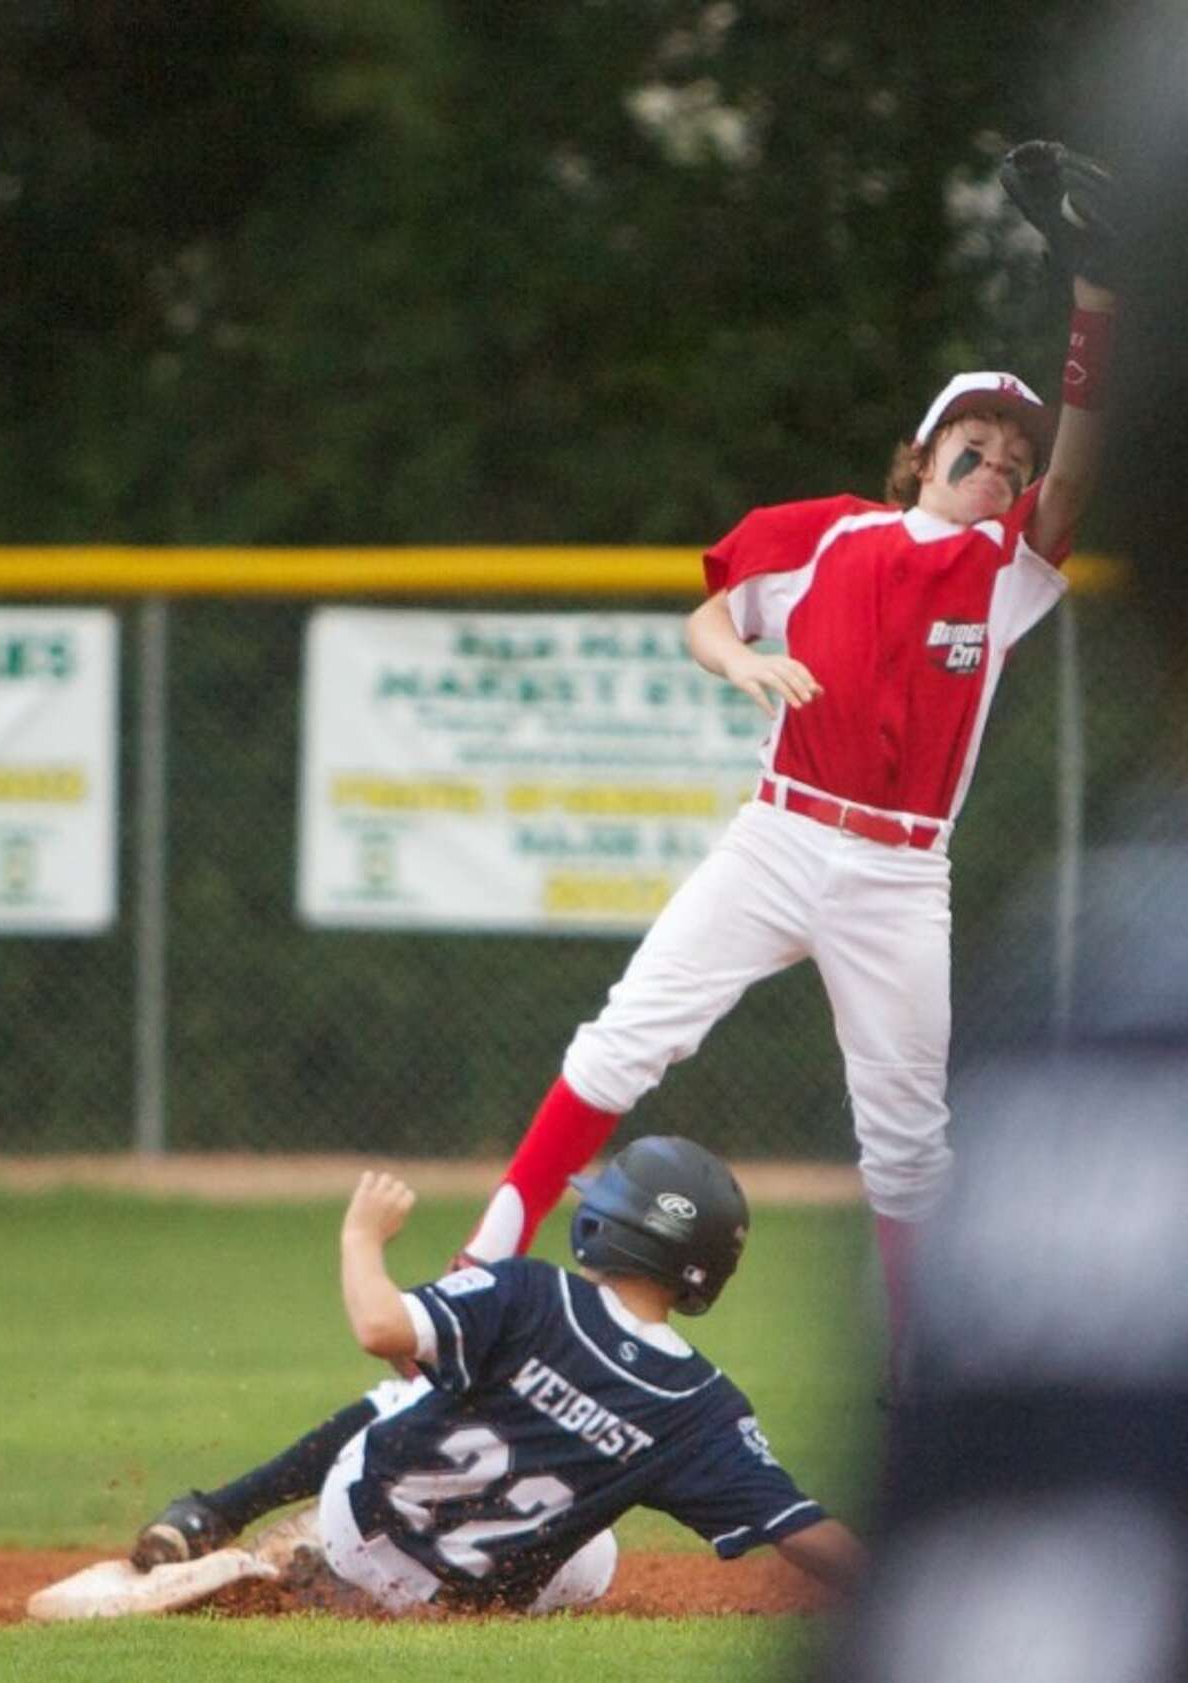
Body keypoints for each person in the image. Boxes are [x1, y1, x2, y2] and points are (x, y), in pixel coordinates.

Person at [454, 142, 1120, 1387]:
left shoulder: (1005, 572)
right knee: (623, 1041)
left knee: (909, 1146)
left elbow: (1078, 467)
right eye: (973, 442)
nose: (1000, 462)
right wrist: (738, 661)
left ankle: (921, 1364)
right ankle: (487, 1255)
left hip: (898, 876)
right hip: (777, 836)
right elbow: (710, 612)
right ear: (919, 457)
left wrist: (1095, 302)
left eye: (1012, 458)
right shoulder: (828, 535)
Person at [130, 1136, 865, 1614]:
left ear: (613, 1226)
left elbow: (379, 1329)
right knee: (597, 1543)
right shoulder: (702, 1406)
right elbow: (800, 1527)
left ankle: (252, 1527)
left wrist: (361, 1237)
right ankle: (366, 1583)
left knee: (405, 1391)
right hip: (463, 1602)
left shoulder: (531, 1292)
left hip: (357, 1525)